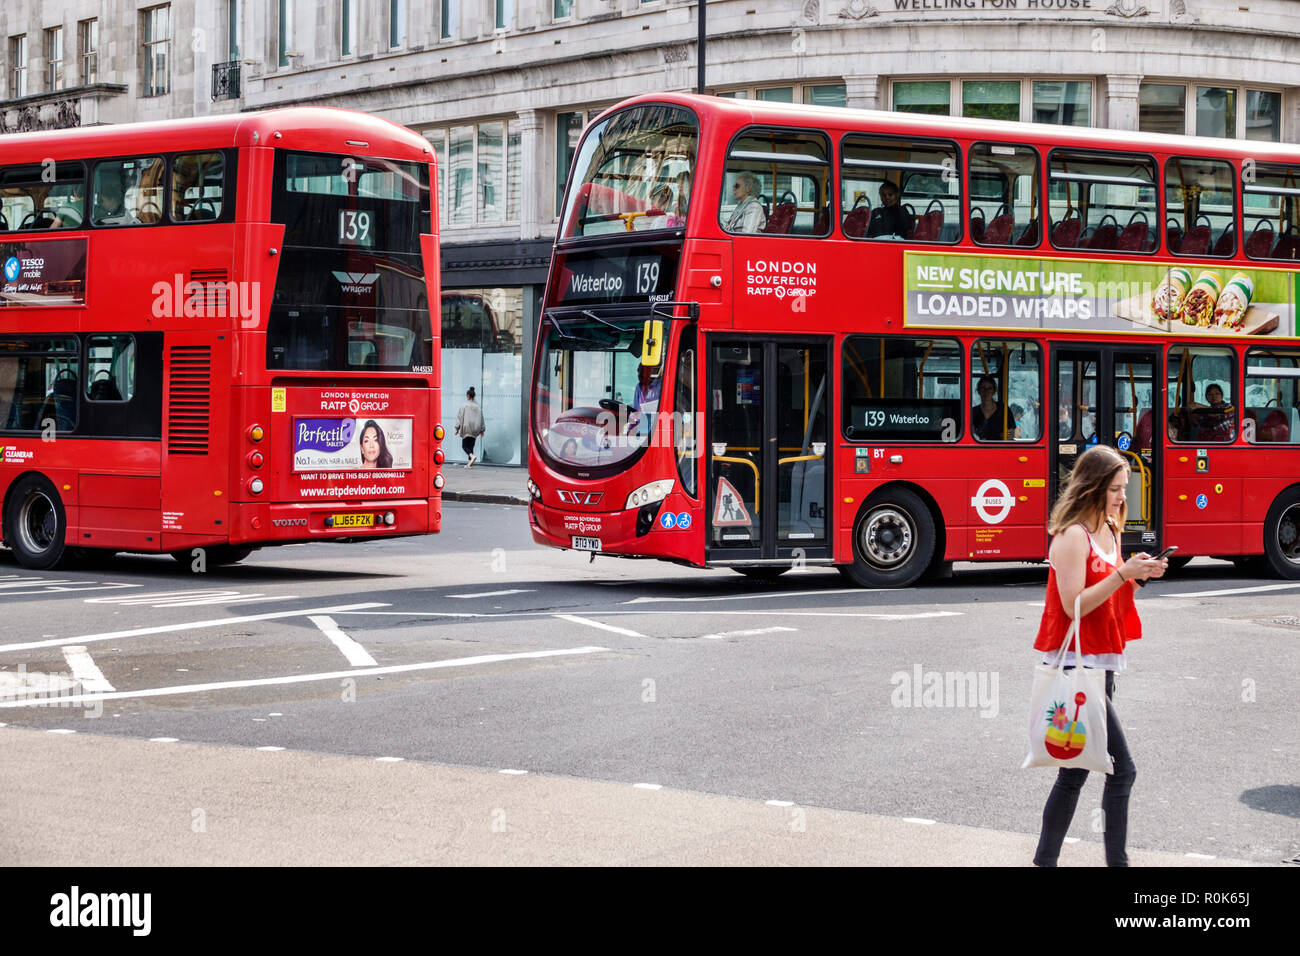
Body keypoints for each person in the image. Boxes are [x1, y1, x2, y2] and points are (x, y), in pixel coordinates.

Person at [1031, 444, 1168, 867]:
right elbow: (1075, 603)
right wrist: (1122, 574)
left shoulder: (1109, 527)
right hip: (1077, 664)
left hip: (1101, 661)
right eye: (1114, 489)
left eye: (1124, 488)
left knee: (1074, 772)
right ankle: (1117, 865)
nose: (1122, 498)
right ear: (1092, 487)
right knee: (1120, 769)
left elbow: (1109, 588)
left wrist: (1135, 574)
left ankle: (1044, 862)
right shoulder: (1072, 535)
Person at [971, 375, 1015, 441]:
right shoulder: (973, 412)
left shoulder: (1004, 410)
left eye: (989, 388)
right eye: (983, 388)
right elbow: (971, 436)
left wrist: (1007, 435)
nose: (986, 391)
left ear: (994, 391)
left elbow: (1011, 433)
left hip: (1000, 448)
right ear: (978, 391)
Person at [455, 386, 485, 467]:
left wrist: (457, 428)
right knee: (471, 446)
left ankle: (471, 457)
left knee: (464, 446)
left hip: (466, 427)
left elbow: (459, 417)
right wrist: (482, 430)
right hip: (475, 429)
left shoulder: (464, 406)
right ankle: (470, 464)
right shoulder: (478, 407)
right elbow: (482, 418)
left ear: (468, 395)